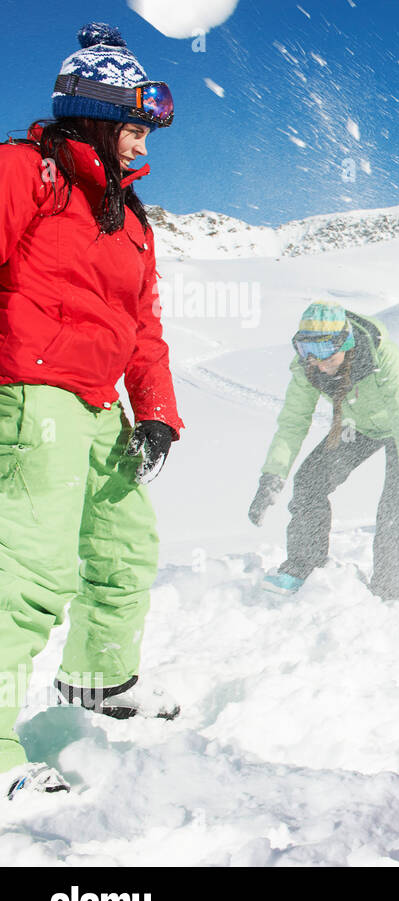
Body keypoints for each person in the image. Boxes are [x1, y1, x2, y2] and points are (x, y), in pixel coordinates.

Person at [0, 24, 183, 798]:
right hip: (28, 390)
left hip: (97, 403)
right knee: (27, 565)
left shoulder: (129, 218)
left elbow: (142, 327)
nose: (143, 143)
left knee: (125, 549)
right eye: (135, 125)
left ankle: (96, 683)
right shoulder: (27, 172)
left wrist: (157, 414)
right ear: (97, 116)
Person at [248, 302, 399, 602]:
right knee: (310, 481)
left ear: (346, 342)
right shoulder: (309, 369)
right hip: (358, 425)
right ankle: (305, 565)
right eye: (307, 350)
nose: (318, 362)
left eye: (326, 351)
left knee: (395, 503)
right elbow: (293, 423)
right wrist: (271, 477)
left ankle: (389, 592)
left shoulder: (382, 357)